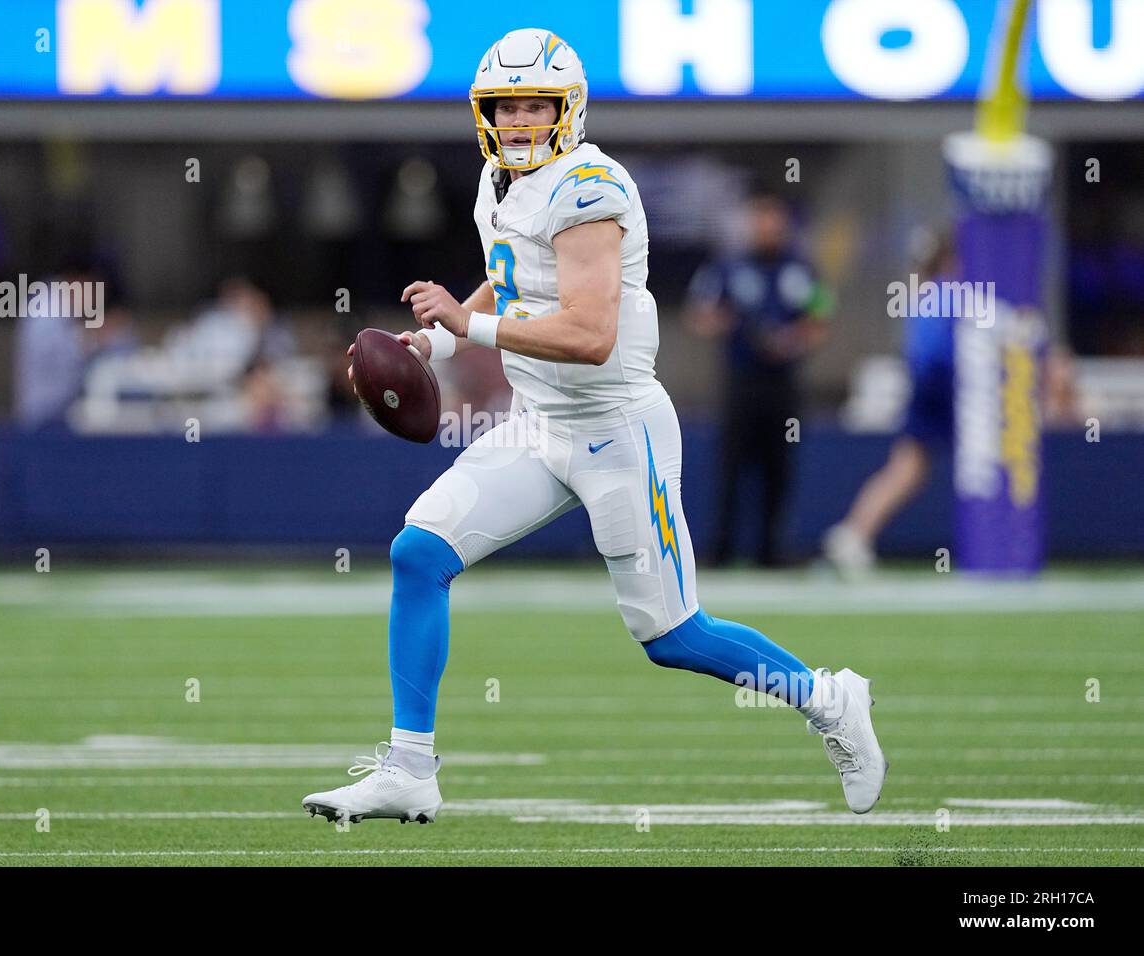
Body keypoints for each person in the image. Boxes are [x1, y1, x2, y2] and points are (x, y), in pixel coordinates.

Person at [301, 29, 886, 825]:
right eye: (506, 106)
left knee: (671, 634)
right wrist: (436, 339)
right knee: (419, 552)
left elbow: (588, 333)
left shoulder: (587, 189)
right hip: (539, 421)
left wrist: (467, 333)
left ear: (567, 108)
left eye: (535, 104)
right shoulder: (498, 181)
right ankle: (409, 768)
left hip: (616, 430)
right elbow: (510, 275)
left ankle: (828, 698)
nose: (518, 121)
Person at [684, 194, 832, 566]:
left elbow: (822, 316)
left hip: (783, 384)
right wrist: (730, 323)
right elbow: (699, 314)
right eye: (761, 219)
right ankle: (721, 551)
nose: (768, 227)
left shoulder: (802, 269)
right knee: (731, 465)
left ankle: (772, 551)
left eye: (775, 219)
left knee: (779, 467)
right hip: (741, 382)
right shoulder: (728, 267)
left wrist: (792, 342)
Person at [822, 228, 956, 574]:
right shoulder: (944, 294)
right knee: (908, 469)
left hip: (942, 390)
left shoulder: (936, 293)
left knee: (909, 470)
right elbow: (931, 356)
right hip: (944, 393)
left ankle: (854, 533)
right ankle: (853, 535)